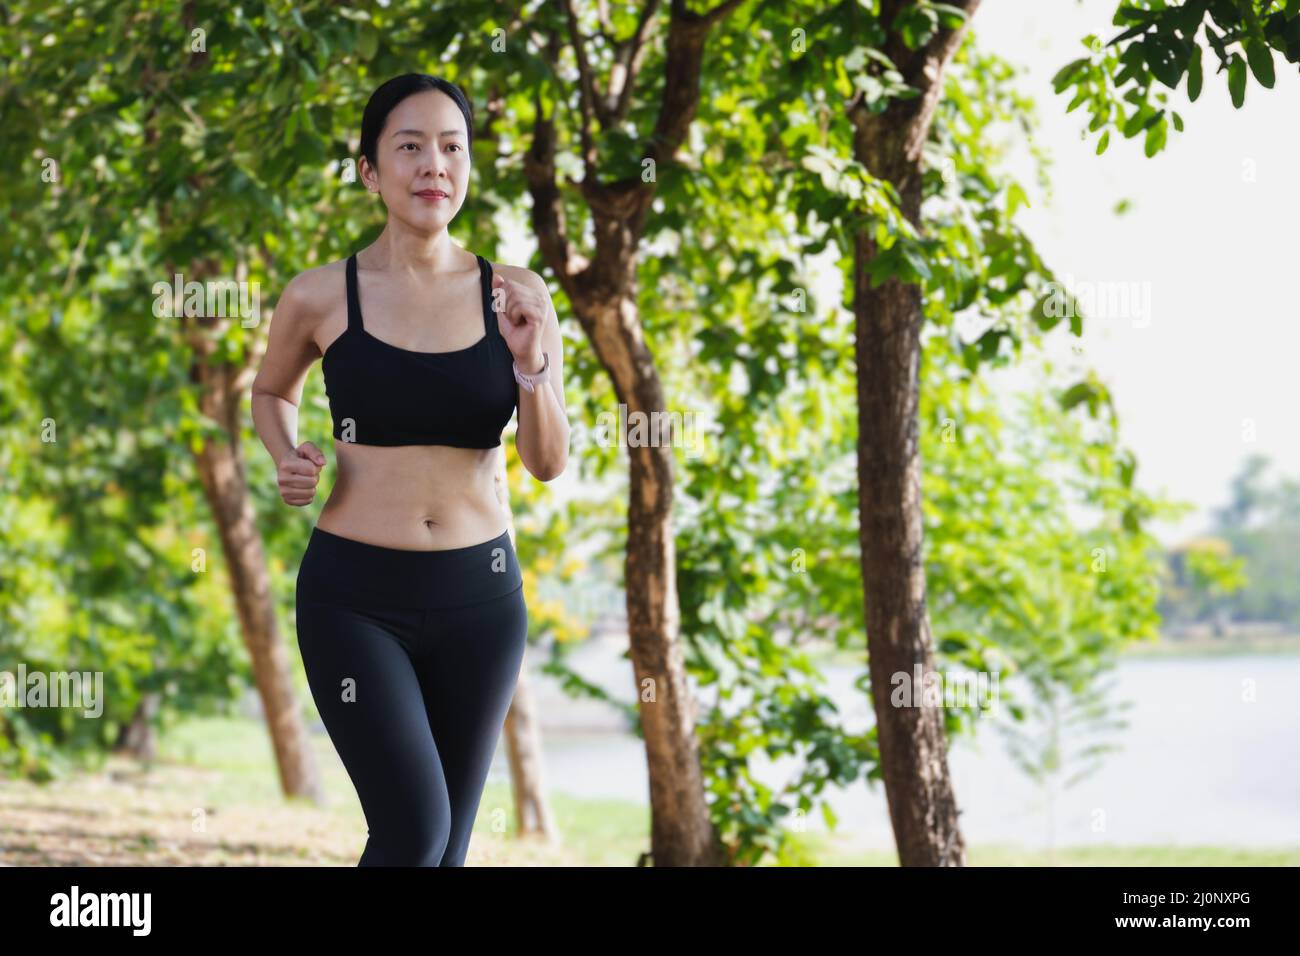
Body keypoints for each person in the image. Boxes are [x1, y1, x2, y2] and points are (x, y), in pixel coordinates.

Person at [250, 73, 569, 866]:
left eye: (452, 147)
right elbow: (269, 391)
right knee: (414, 833)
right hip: (355, 600)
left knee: (447, 851)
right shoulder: (321, 295)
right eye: (411, 146)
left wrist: (530, 366)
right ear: (369, 169)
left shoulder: (519, 296)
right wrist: (289, 455)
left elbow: (548, 462)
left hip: (481, 602)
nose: (435, 164)